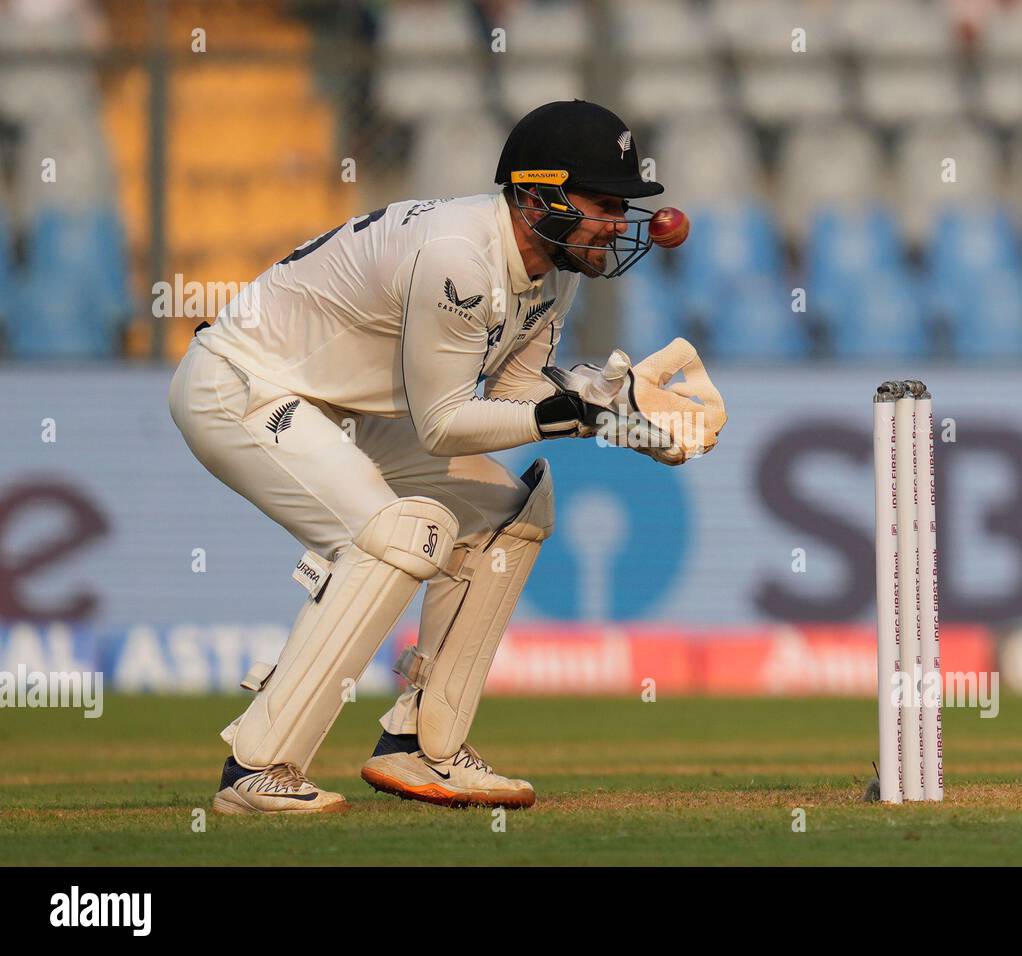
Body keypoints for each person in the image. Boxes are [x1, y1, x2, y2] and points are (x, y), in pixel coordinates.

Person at [167, 100, 724, 815]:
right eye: (604, 204)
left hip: (350, 408)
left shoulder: (558, 266)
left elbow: (520, 397)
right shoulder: (459, 255)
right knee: (401, 533)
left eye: (624, 206)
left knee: (509, 511)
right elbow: (443, 424)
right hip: (243, 384)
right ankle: (257, 769)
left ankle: (423, 746)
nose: (619, 225)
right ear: (535, 195)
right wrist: (577, 415)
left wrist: (614, 416)